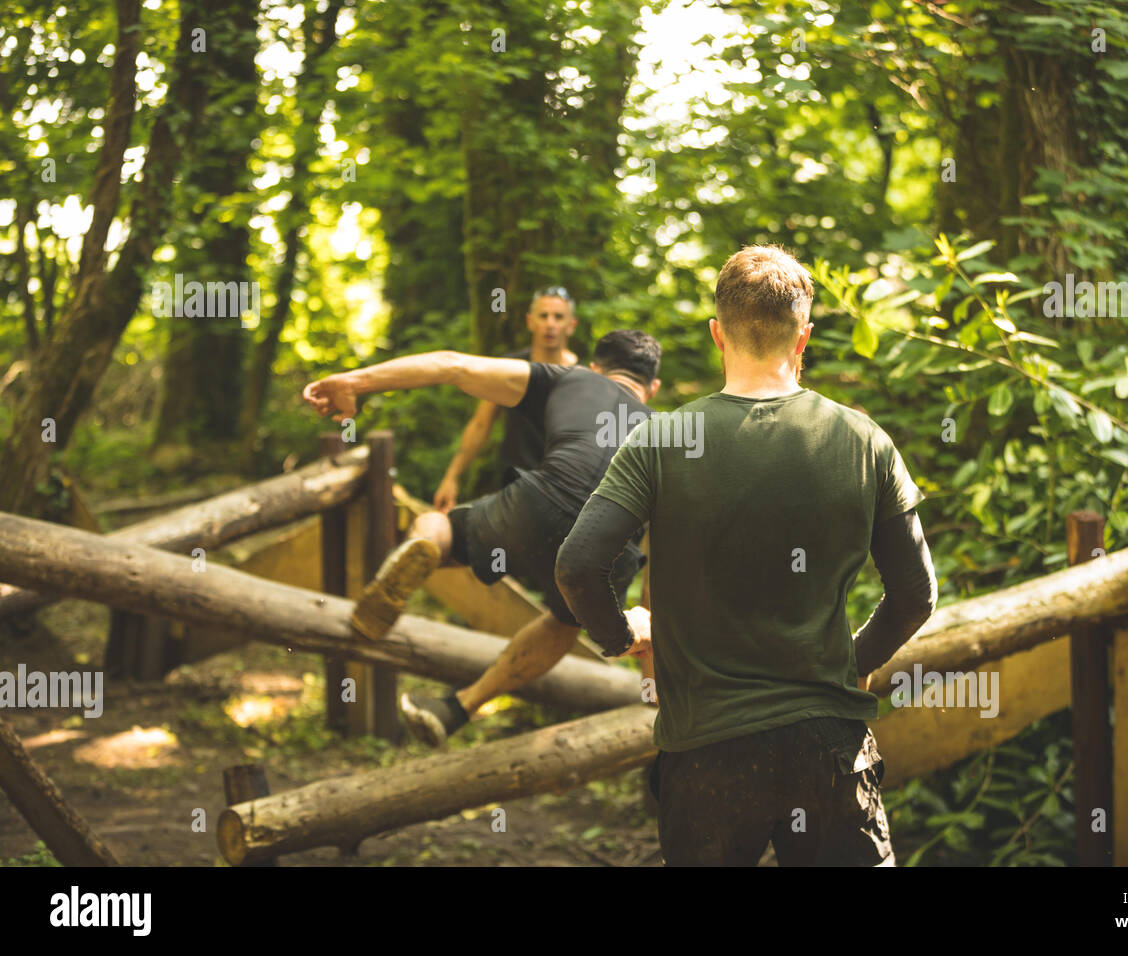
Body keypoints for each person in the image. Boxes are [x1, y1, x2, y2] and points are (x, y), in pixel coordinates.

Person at [555, 245, 937, 867]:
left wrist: (621, 634)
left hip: (705, 752)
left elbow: (577, 565)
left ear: (716, 334)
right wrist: (855, 661)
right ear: (804, 337)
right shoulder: (864, 441)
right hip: (828, 746)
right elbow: (916, 595)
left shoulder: (661, 439)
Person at [302, 330, 662, 745]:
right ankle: (460, 707)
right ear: (652, 387)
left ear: (595, 367)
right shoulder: (664, 436)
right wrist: (651, 691)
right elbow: (658, 580)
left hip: (534, 506)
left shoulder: (570, 379)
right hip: (608, 549)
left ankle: (426, 548)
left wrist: (353, 382)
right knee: (566, 621)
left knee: (445, 526)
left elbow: (454, 365)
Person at [433, 287, 580, 512]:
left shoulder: (585, 376)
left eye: (558, 317)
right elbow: (481, 423)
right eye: (543, 316)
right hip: (515, 484)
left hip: (566, 489)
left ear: (571, 325)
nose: (550, 323)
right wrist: (451, 477)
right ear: (530, 322)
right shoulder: (509, 367)